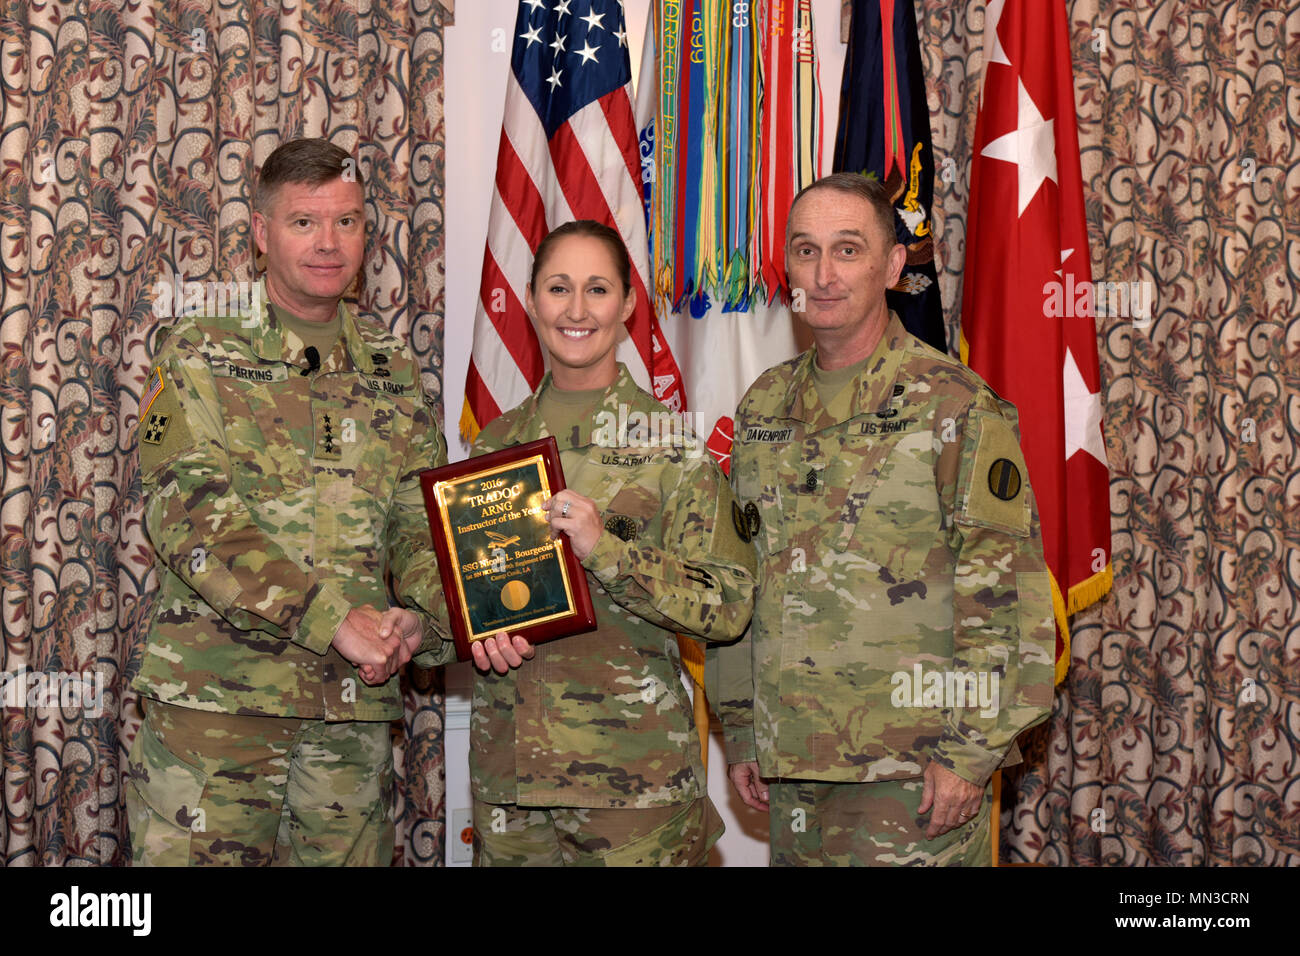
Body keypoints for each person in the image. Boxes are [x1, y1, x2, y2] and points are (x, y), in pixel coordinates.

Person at [707, 173, 1056, 866]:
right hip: (794, 766)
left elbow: (1006, 596)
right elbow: (739, 578)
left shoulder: (954, 404)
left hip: (914, 775)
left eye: (848, 250)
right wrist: (743, 730)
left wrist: (970, 753)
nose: (824, 274)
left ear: (893, 265)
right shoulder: (764, 406)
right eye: (805, 251)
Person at [127, 138, 454, 866]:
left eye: (348, 221)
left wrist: (420, 621)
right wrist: (332, 619)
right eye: (305, 222)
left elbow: (421, 525)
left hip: (350, 713)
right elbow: (190, 517)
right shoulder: (199, 349)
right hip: (217, 710)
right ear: (260, 232)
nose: (329, 243)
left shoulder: (392, 370)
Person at [466, 220, 757, 866]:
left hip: (633, 783)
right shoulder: (493, 448)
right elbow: (459, 595)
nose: (576, 310)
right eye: (558, 288)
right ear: (531, 298)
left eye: (597, 289)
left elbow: (730, 601)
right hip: (509, 781)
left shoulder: (670, 447)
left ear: (627, 304)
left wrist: (608, 551)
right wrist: (468, 627)